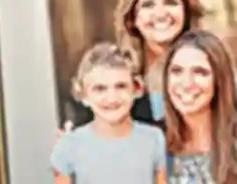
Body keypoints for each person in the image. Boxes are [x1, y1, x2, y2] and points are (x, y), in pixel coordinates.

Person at [69, 0, 237, 155]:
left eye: (170, 2)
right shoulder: (114, 74)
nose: (160, 13)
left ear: (186, 11)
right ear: (132, 19)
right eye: (148, 5)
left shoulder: (212, 63)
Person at [164, 30, 237, 184]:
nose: (186, 83)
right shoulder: (153, 142)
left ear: (219, 80)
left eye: (200, 72)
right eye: (176, 71)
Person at [51, 43, 167, 184]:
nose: (112, 98)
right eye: (100, 88)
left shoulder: (154, 139)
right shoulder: (68, 146)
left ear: (137, 88)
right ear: (82, 94)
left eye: (121, 86)